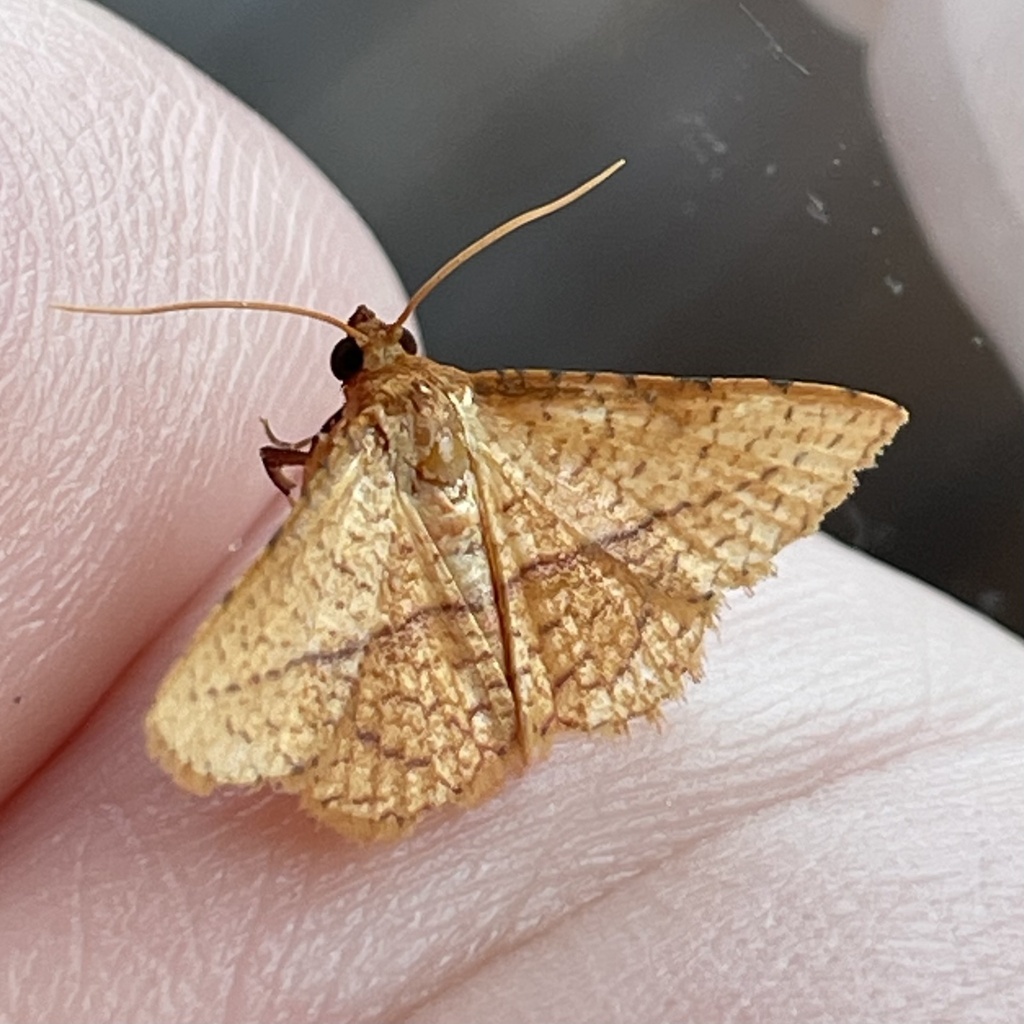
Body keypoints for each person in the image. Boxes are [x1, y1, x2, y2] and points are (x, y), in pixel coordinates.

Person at [2, 1, 1022, 1019]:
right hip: (542, 549)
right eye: (365, 353)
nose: (376, 350)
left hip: (387, 546)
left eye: (374, 351)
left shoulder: (353, 443)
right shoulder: (517, 411)